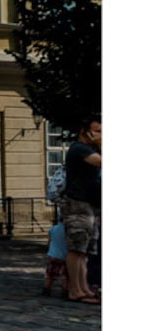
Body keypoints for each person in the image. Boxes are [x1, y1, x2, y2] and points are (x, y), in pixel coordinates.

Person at [61, 117, 101, 303]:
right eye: (97, 131)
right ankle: (75, 290)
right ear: (85, 132)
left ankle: (84, 288)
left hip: (90, 204)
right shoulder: (79, 149)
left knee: (84, 251)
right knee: (76, 248)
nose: (101, 135)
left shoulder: (89, 149)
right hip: (77, 203)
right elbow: (99, 162)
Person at [42, 218, 68, 297]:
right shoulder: (68, 230)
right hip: (65, 255)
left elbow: (49, 241)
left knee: (50, 274)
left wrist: (49, 249)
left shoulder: (53, 228)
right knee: (65, 275)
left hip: (53, 254)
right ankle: (65, 291)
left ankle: (47, 289)